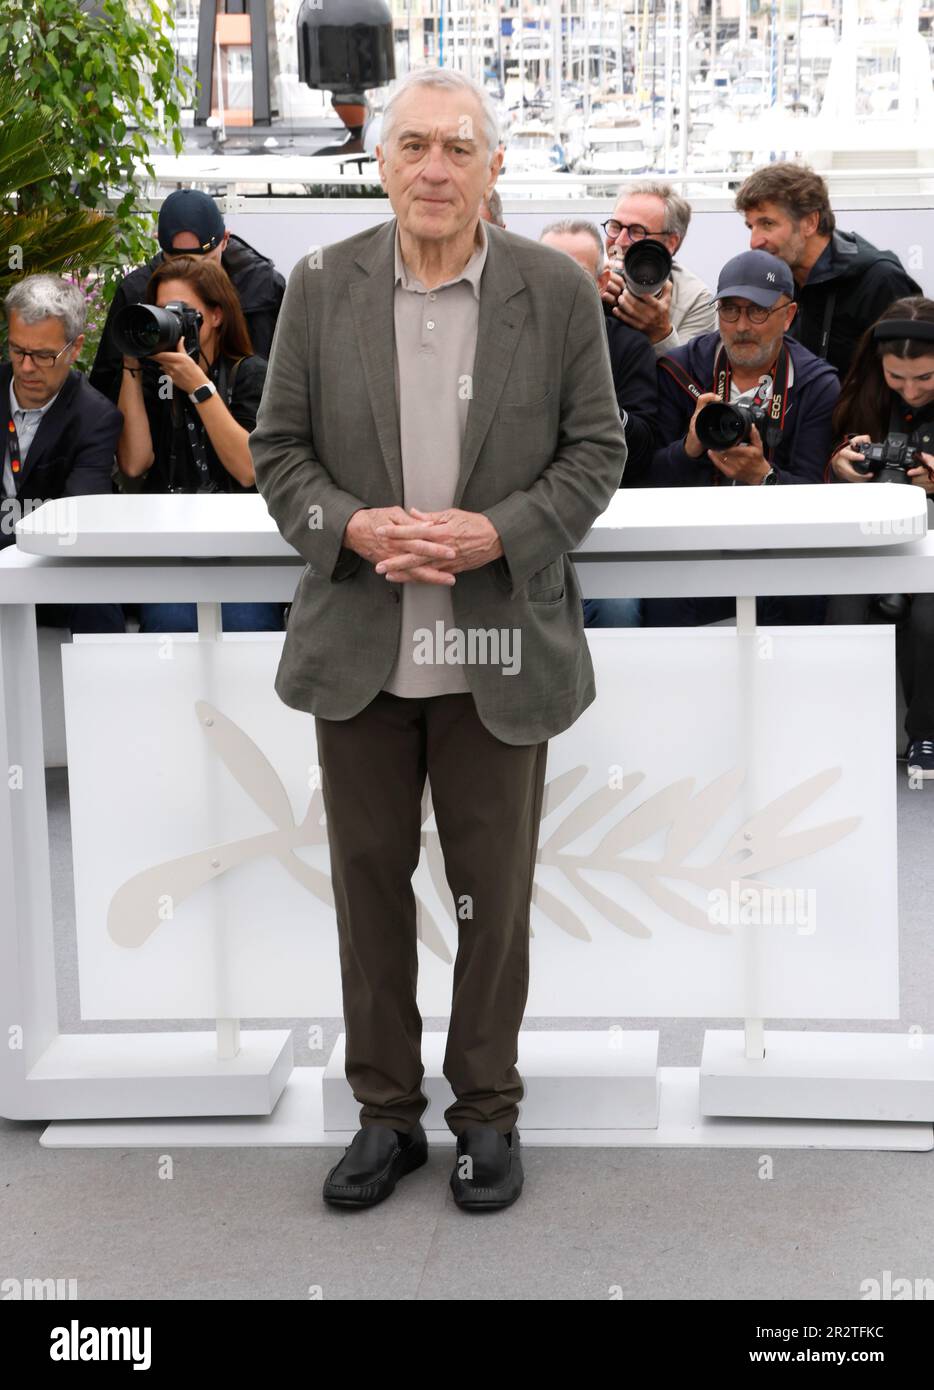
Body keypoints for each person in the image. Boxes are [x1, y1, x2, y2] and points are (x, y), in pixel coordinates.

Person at [249, 66, 625, 1212]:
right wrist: (353, 527)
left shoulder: (554, 294)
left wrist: (494, 535)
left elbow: (595, 452)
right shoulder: (320, 285)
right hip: (360, 646)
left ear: (493, 167)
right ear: (381, 159)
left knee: (491, 895)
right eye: (414, 145)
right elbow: (279, 453)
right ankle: (384, 1114)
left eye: (459, 148)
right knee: (368, 889)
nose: (433, 168)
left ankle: (486, 1114)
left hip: (500, 651)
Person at [642, 249, 840, 628]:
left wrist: (765, 478)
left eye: (758, 311)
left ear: (790, 316)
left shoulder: (816, 385)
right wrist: (689, 448)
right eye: (730, 310)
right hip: (690, 548)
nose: (742, 326)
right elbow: (646, 481)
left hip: (780, 553)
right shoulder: (680, 370)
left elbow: (820, 498)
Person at [115, 254, 284, 634]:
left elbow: (246, 469)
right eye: (160, 312)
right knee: (169, 625)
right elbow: (135, 463)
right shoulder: (153, 380)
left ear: (216, 315)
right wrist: (131, 365)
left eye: (180, 312)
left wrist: (199, 388)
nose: (169, 323)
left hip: (242, 552)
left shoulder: (250, 374)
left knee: (248, 629)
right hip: (170, 550)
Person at [823, 297, 934, 780]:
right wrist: (840, 467)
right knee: (846, 601)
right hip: (873, 543)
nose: (910, 390)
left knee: (930, 615)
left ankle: (927, 733)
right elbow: (826, 474)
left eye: (926, 378)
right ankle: (846, 726)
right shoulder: (865, 395)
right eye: (897, 378)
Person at [540, 217, 655, 626]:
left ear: (603, 280)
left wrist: (591, 400)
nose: (559, 288)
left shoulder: (628, 347)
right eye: (547, 272)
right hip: (527, 530)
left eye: (574, 275)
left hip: (607, 526)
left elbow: (644, 447)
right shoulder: (502, 345)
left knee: (617, 607)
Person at [1, 274, 124, 634]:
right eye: (17, 350)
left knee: (97, 603)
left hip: (54, 569)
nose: (25, 368)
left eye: (42, 356)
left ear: (75, 348)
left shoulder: (96, 418)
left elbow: (75, 521)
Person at [91, 189, 285, 403]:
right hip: (160, 413)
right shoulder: (136, 291)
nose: (191, 276)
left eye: (204, 263)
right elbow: (106, 386)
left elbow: (287, 371)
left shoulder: (263, 286)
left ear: (225, 240)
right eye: (177, 262)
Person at [735, 162, 921, 378]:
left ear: (810, 222)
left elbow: (911, 381)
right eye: (751, 226)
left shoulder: (879, 280)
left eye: (767, 223)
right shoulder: (775, 278)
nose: (754, 241)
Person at [599, 181, 718, 355]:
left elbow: (690, 378)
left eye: (637, 231)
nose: (619, 241)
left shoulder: (695, 299)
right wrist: (589, 299)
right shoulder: (590, 276)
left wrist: (660, 333)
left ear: (670, 243)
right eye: (615, 227)